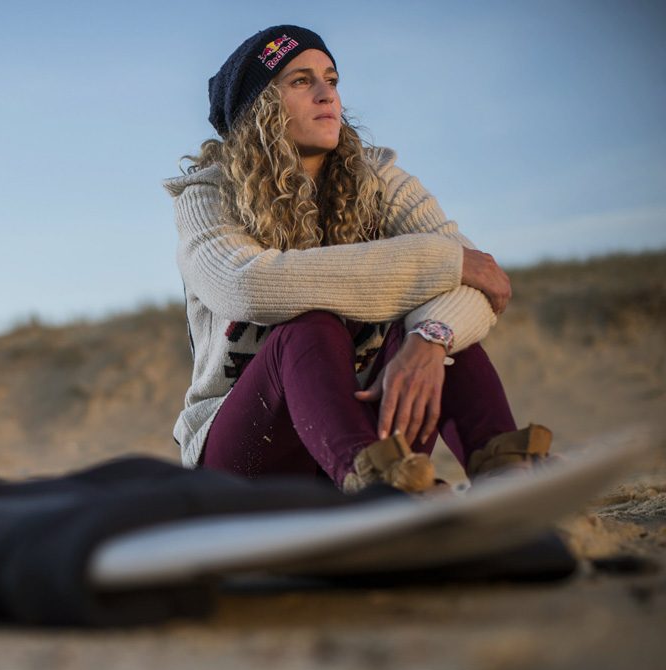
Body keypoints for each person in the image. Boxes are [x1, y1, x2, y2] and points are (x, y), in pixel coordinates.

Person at [166, 25, 552, 493]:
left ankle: (506, 477)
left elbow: (477, 282)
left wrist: (430, 340)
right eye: (301, 81)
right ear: (259, 107)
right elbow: (247, 285)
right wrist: (442, 260)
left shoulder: (380, 181)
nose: (327, 94)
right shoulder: (207, 196)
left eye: (332, 79)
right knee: (309, 326)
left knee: (437, 334)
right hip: (247, 461)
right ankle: (375, 490)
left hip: (373, 437)